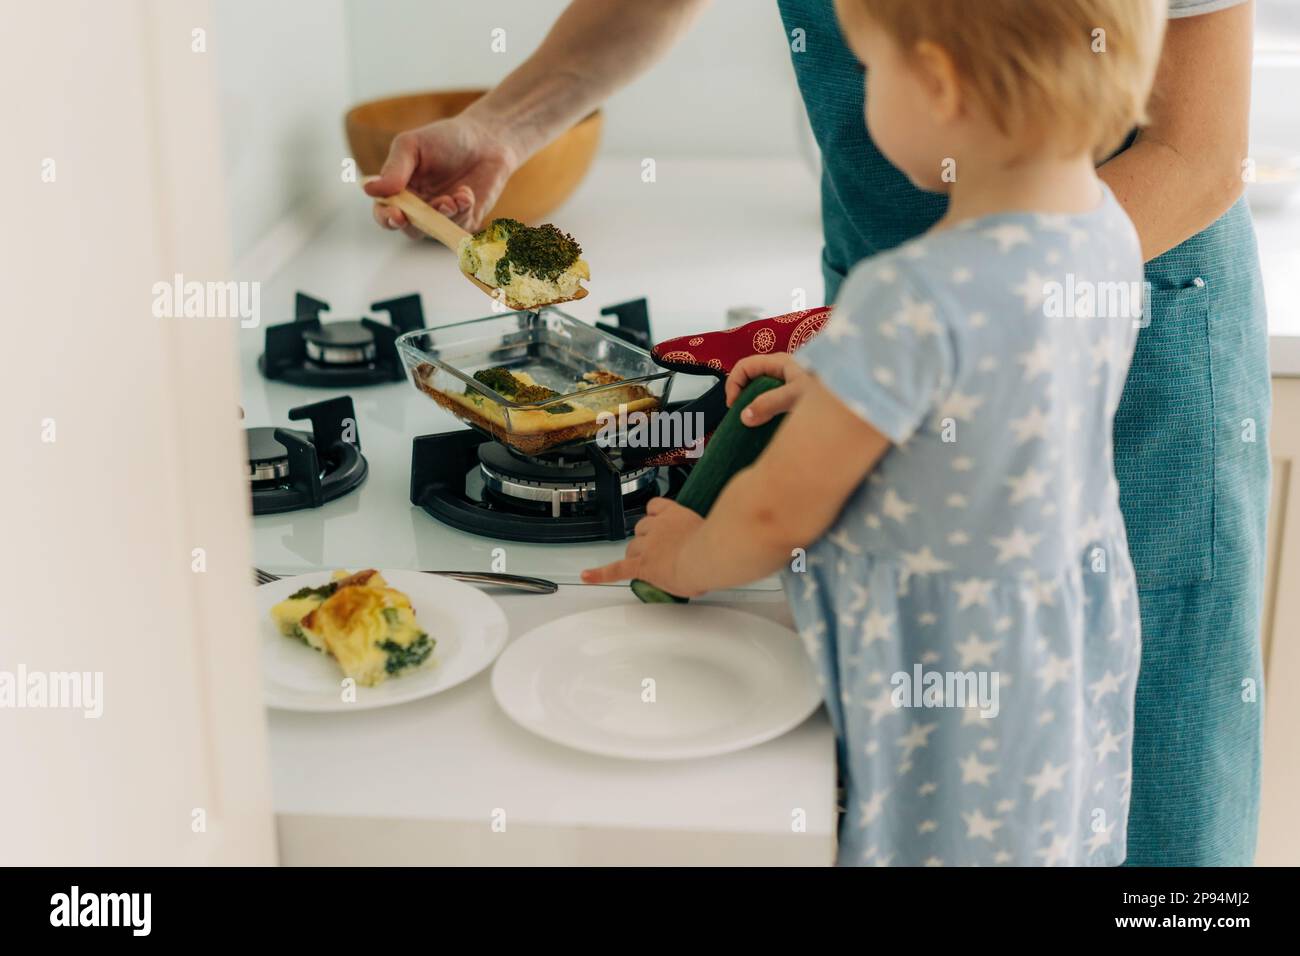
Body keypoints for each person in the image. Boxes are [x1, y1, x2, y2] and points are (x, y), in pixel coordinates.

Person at [366, 0, 1270, 866]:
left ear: (941, 86)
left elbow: (776, 515)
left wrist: (689, 553)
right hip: (1062, 700)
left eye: (871, 66)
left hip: (953, 723)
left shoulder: (904, 303)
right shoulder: (1095, 239)